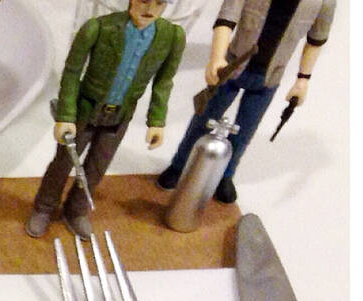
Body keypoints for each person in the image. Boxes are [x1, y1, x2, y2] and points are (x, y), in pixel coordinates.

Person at [26, 0, 184, 239]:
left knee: (97, 167)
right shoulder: (98, 28)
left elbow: (164, 81)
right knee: (64, 163)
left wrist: (156, 121)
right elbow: (71, 71)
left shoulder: (171, 36)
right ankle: (44, 208)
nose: (150, 9)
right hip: (86, 109)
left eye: (159, 2)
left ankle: (77, 210)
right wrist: (66, 115)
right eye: (143, 0)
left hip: (120, 115)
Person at [156, 0, 336, 204]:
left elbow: (316, 40)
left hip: (269, 78)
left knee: (244, 132)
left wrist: (303, 79)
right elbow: (227, 18)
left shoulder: (324, 2)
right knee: (204, 119)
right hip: (232, 66)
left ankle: (225, 175)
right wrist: (216, 58)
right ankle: (179, 165)